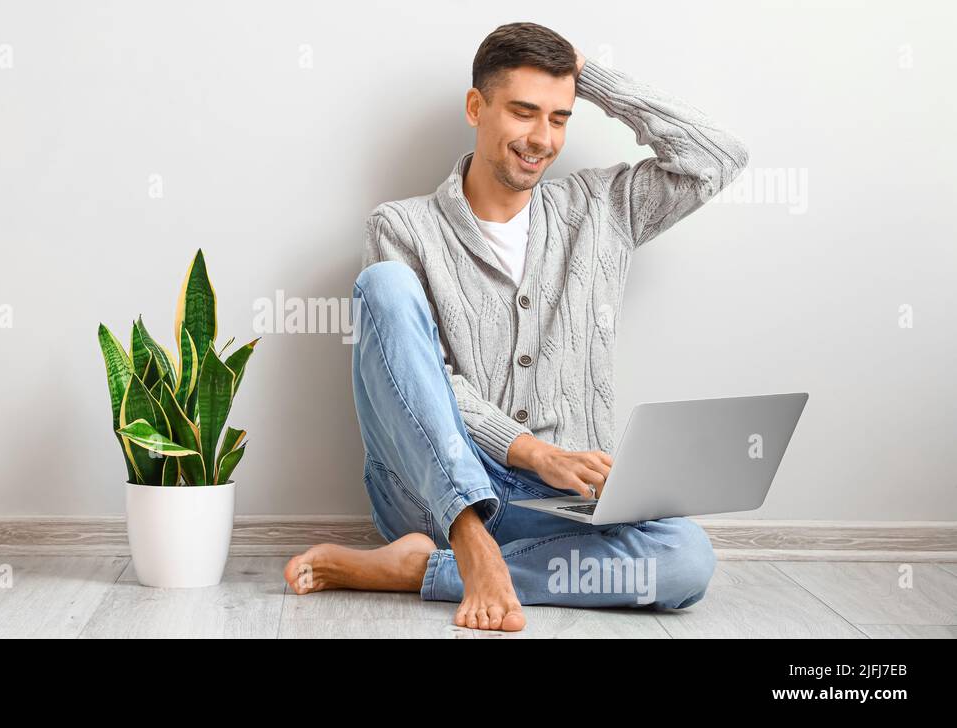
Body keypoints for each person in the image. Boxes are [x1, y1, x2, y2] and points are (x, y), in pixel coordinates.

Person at [284, 22, 749, 632]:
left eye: (559, 118)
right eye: (524, 112)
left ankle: (422, 572)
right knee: (384, 287)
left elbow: (717, 157)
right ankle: (467, 542)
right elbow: (424, 384)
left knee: (686, 559)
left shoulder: (601, 209)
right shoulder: (405, 228)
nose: (541, 138)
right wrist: (532, 451)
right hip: (426, 492)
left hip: (554, 508)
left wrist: (594, 76)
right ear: (477, 107)